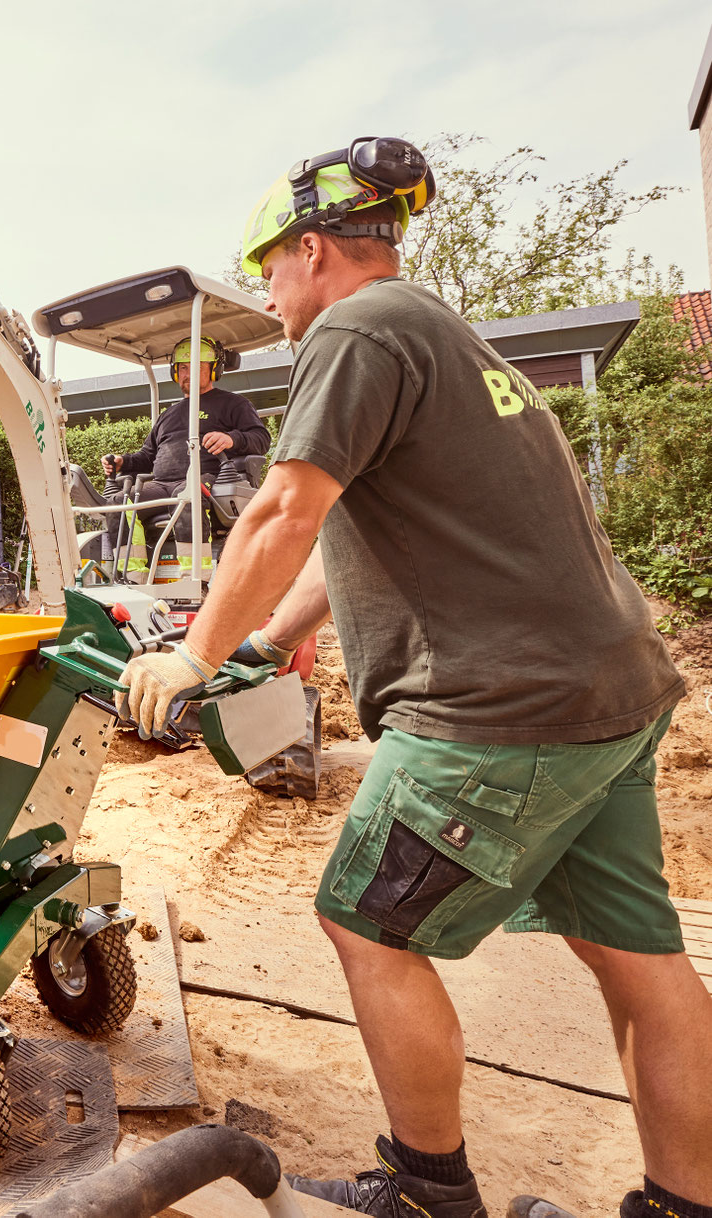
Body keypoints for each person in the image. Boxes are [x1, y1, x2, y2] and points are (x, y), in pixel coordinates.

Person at [116, 137, 709, 1218]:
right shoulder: (439, 333)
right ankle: (682, 1205)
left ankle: (424, 1191)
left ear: (309, 250)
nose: (267, 293)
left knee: (363, 923)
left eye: (266, 270)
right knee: (634, 954)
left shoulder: (354, 328)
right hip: (604, 693)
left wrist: (193, 650)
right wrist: (254, 648)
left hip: (498, 707)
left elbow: (284, 510)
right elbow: (343, 536)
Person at [100, 336, 268, 562]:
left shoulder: (233, 404)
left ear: (214, 369)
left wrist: (231, 439)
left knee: (187, 497)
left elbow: (261, 438)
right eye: (183, 368)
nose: (188, 374)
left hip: (204, 479)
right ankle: (132, 579)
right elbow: (148, 456)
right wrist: (122, 462)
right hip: (160, 485)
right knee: (118, 503)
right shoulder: (167, 415)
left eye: (197, 366)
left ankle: (195, 580)